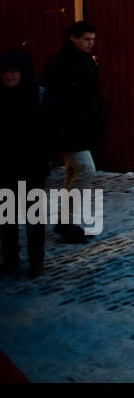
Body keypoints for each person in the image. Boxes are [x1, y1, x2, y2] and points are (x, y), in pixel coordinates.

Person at [40, 21, 105, 244]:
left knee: (74, 173)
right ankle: (65, 222)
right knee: (86, 170)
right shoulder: (59, 64)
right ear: (73, 38)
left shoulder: (87, 61)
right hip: (67, 127)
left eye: (93, 39)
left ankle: (66, 221)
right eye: (87, 39)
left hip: (81, 126)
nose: (91, 43)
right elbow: (50, 99)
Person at [1, 51, 49, 277]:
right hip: (5, 165)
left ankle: (36, 260)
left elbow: (52, 130)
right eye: (5, 72)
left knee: (33, 216)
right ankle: (11, 258)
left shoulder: (38, 97)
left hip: (32, 165)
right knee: (6, 216)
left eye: (13, 71)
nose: (8, 76)